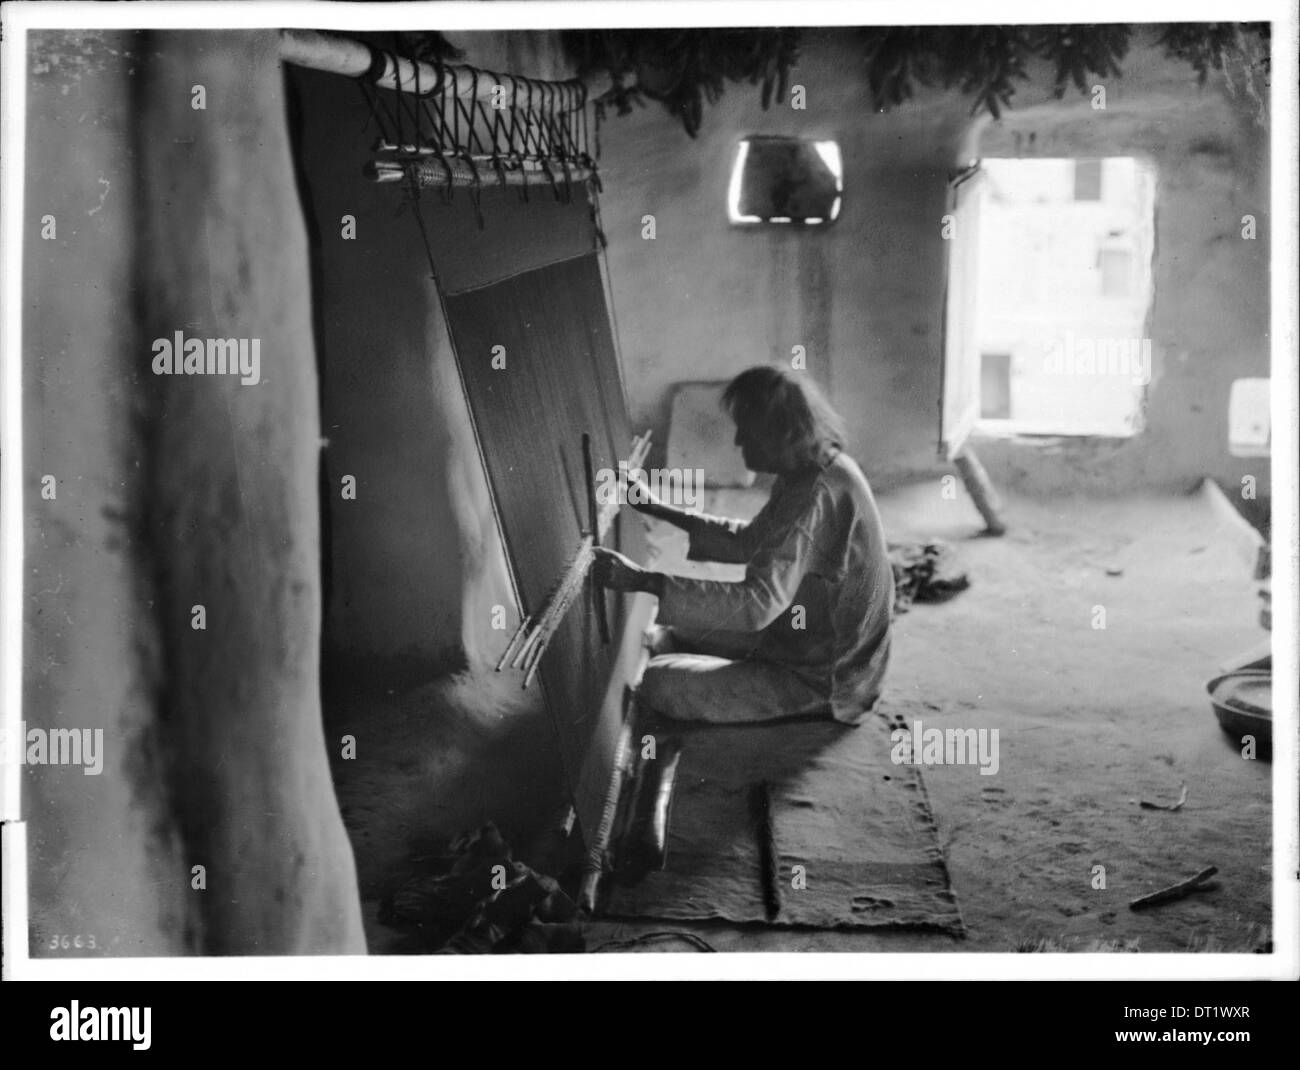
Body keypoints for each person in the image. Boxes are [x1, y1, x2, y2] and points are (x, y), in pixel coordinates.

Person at [593, 365, 894, 725]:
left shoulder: (814, 496)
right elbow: (752, 541)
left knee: (657, 681)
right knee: (674, 633)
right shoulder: (813, 469)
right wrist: (654, 506)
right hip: (802, 634)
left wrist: (642, 581)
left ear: (776, 435)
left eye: (746, 432)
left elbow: (757, 604)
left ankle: (807, 702)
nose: (738, 443)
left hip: (825, 673)